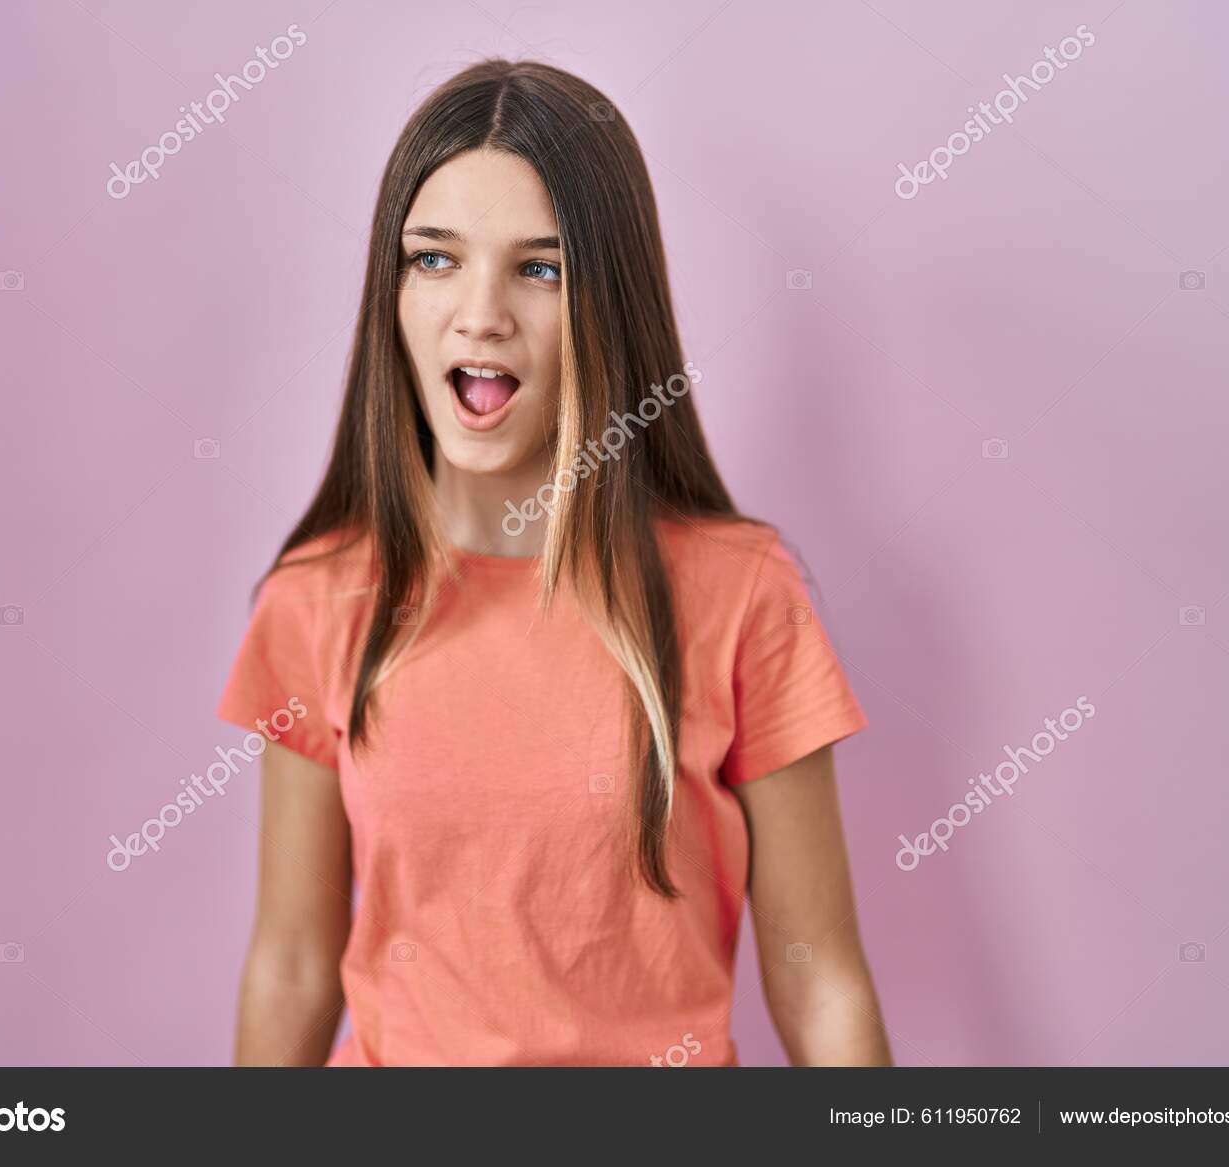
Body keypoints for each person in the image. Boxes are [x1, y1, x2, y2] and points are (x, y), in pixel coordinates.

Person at [219, 58, 891, 1067]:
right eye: (434, 259)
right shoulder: (316, 601)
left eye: (541, 268)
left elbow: (816, 976)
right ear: (390, 292)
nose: (479, 312)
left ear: (609, 305)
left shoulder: (742, 595)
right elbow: (292, 965)